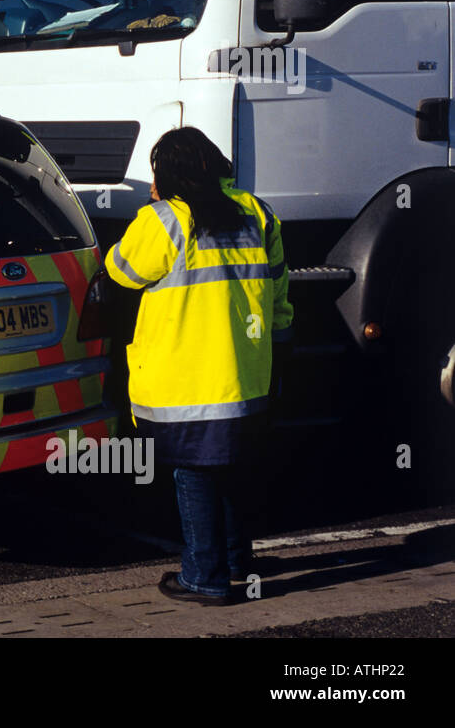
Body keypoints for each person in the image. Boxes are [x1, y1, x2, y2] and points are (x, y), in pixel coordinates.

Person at [105, 127, 292, 605]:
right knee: (232, 470)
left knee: (194, 474)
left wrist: (152, 205)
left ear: (166, 175)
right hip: (244, 376)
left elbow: (121, 268)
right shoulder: (258, 213)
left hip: (184, 381)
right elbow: (279, 292)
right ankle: (235, 562)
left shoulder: (163, 219)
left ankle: (204, 577)